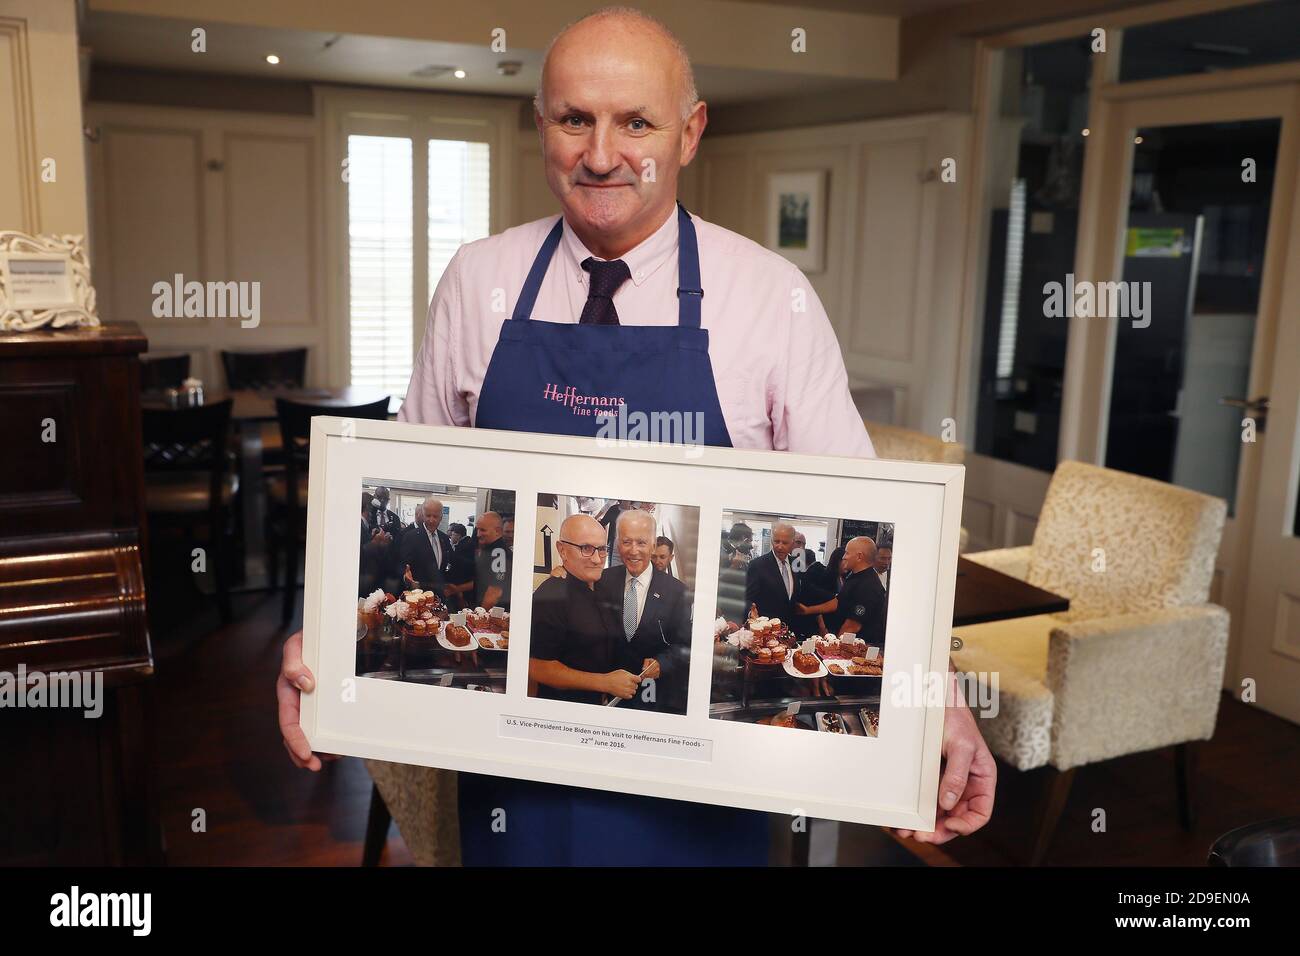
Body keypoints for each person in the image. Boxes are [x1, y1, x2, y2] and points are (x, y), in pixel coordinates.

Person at [279, 6, 993, 863]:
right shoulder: (479, 280)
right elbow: (395, 479)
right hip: (515, 753)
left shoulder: (769, 297)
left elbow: (877, 519)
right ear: (540, 124)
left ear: (689, 134)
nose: (603, 153)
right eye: (575, 118)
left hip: (702, 767)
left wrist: (935, 701)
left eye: (637, 122)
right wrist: (324, 633)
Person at [529, 514, 640, 706]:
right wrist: (604, 683)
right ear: (562, 550)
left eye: (602, 549)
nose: (597, 559)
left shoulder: (605, 584)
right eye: (586, 549)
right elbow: (537, 666)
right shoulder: (550, 596)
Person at [595, 510, 690, 713]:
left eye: (641, 542)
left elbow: (685, 646)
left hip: (654, 695)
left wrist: (662, 664)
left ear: (653, 545)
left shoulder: (677, 591)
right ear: (618, 543)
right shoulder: (601, 581)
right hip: (608, 692)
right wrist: (561, 575)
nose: (633, 550)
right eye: (627, 542)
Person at [797, 536, 886, 645]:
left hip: (858, 648)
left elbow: (852, 626)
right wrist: (808, 610)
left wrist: (833, 647)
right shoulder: (854, 576)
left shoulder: (868, 586)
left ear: (859, 557)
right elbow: (838, 601)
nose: (844, 557)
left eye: (847, 553)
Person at [745, 522, 800, 622]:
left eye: (785, 543)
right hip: (767, 630)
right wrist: (751, 611)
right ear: (771, 541)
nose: (779, 546)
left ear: (792, 543)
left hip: (792, 630)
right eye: (776, 541)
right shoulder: (757, 565)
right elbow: (748, 599)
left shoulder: (796, 564)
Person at [400, 497, 454, 595]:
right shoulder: (410, 537)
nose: (431, 520)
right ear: (423, 516)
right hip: (418, 595)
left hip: (440, 595)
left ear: (441, 517)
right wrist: (405, 575)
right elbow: (402, 564)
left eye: (435, 516)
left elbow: (448, 564)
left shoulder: (444, 538)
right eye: (428, 515)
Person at [467, 511, 511, 611]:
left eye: (483, 530)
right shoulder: (490, 550)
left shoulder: (498, 553)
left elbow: (495, 592)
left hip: (492, 617)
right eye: (477, 529)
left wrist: (478, 618)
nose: (478, 534)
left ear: (497, 531)